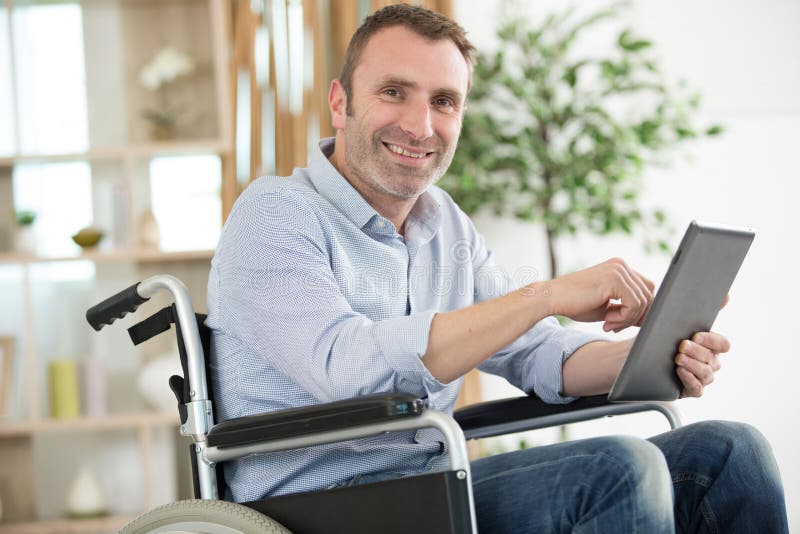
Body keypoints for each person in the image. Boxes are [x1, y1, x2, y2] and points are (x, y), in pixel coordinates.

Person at [206, 4, 788, 532]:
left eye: (444, 101)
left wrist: (657, 353)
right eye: (393, 92)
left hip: (429, 488)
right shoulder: (274, 214)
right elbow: (346, 367)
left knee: (732, 452)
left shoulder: (444, 225)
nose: (420, 125)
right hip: (316, 506)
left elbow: (536, 352)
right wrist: (544, 295)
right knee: (617, 468)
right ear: (340, 101)